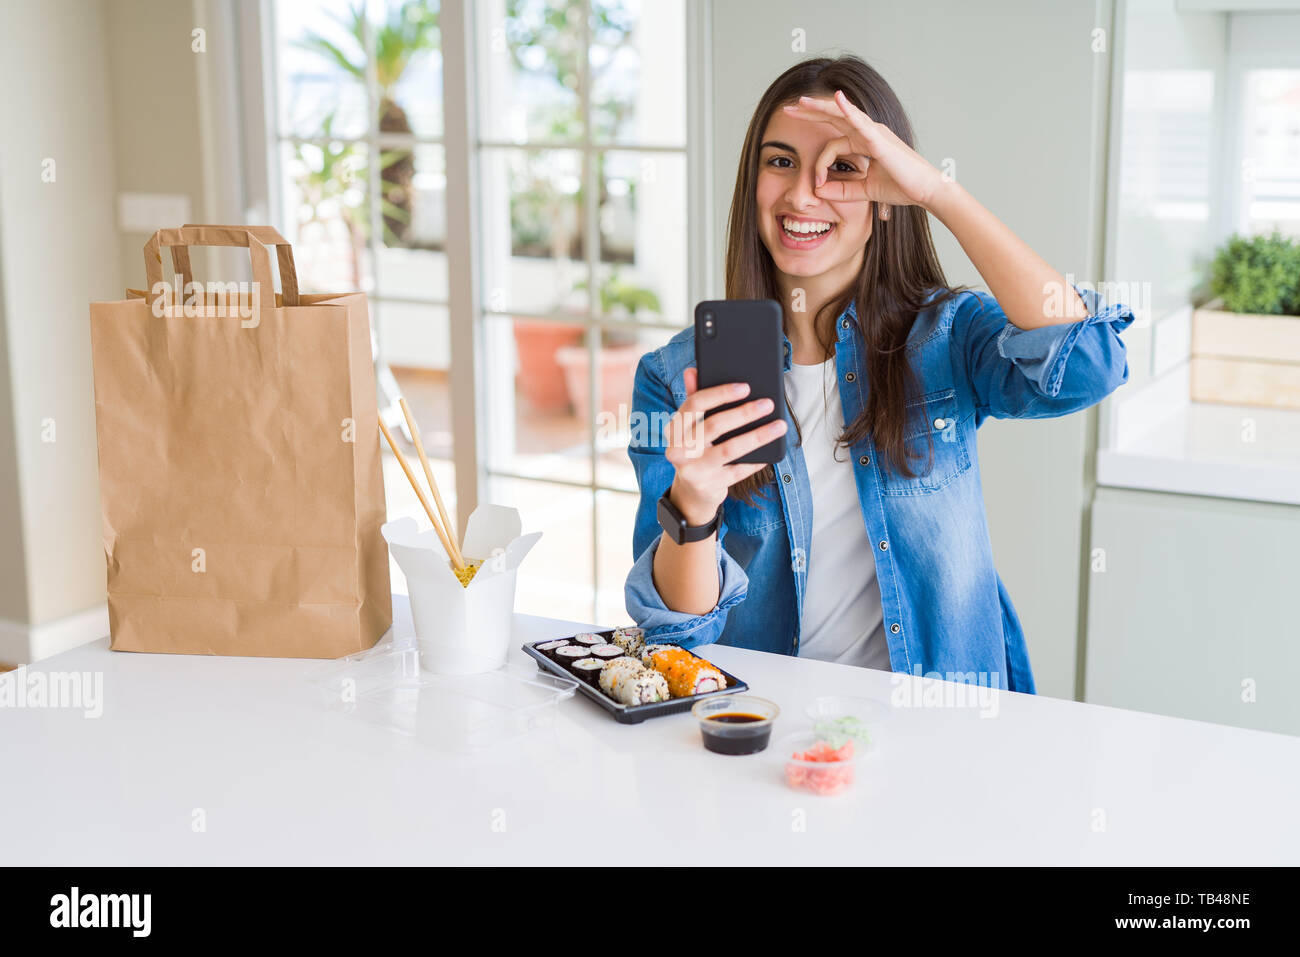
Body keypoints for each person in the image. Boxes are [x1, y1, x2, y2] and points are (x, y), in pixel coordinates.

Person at [622, 55, 1135, 693]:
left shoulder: (948, 337)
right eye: (779, 161)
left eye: (842, 168)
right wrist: (692, 507)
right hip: (763, 731)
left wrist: (937, 194)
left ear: (888, 195)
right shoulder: (676, 379)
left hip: (937, 734)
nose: (802, 193)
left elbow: (1088, 363)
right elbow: (676, 633)